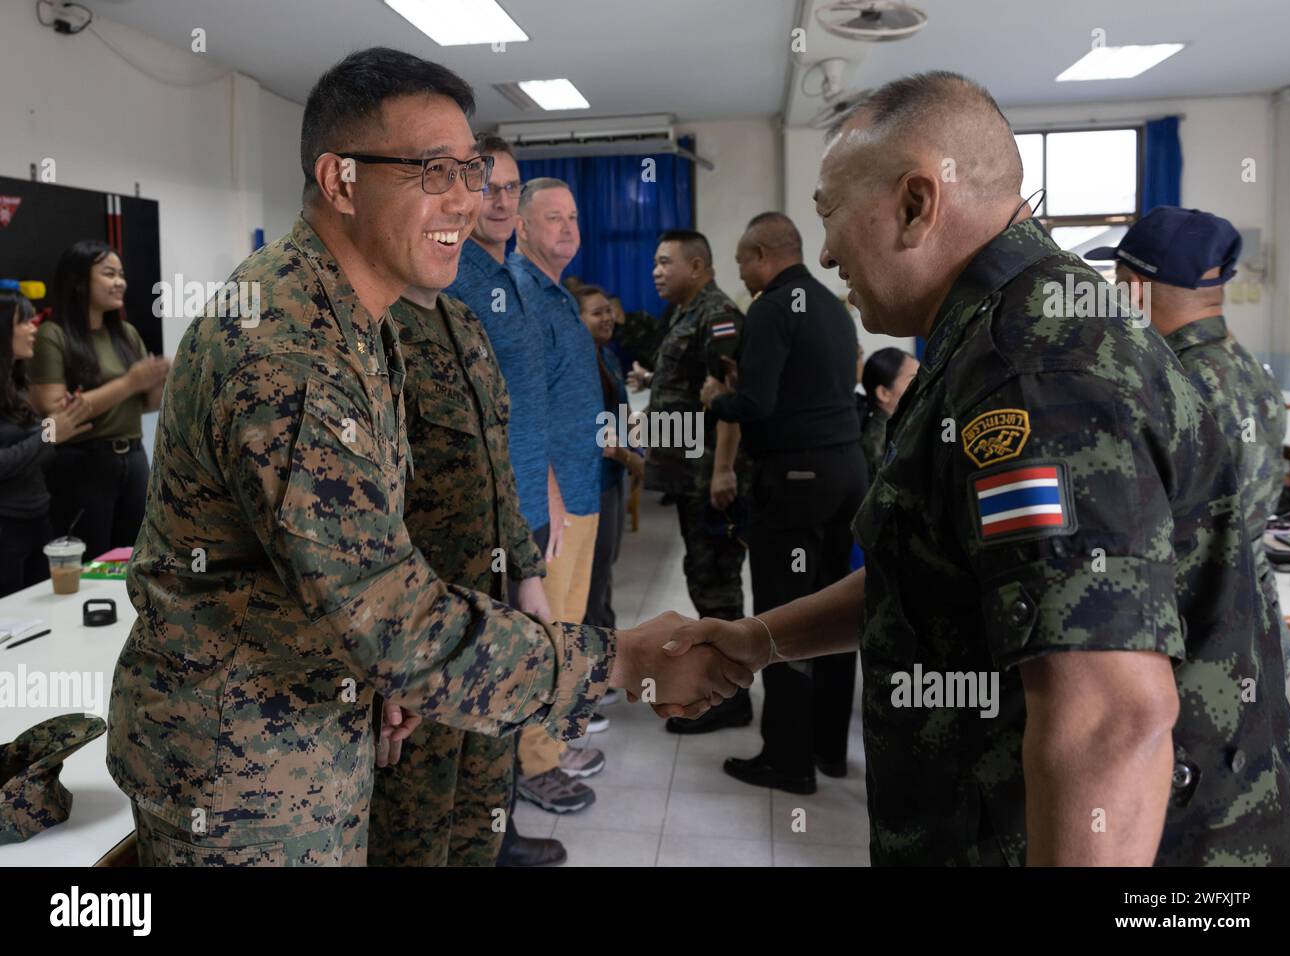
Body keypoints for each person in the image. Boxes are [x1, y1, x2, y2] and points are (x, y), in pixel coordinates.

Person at [105, 47, 751, 867]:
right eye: (432, 171)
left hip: (310, 725)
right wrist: (618, 659)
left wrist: (385, 671)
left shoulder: (361, 326)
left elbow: (378, 553)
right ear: (340, 181)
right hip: (246, 776)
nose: (467, 200)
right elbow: (392, 622)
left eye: (472, 171)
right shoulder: (286, 346)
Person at [665, 70, 1290, 865]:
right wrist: (758, 638)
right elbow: (946, 567)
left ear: (915, 203)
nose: (825, 253)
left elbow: (1109, 721)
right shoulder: (1005, 329)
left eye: (829, 217)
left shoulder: (1033, 373)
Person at [367, 283, 550, 867]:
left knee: (482, 815)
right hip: (417, 640)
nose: (457, 203)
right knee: (413, 832)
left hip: (489, 630)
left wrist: (527, 571)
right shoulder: (368, 324)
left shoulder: (463, 321)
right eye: (435, 183)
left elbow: (498, 466)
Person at [1085, 207, 1290, 671]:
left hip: (1192, 647)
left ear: (1135, 283)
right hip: (1254, 628)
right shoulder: (1251, 371)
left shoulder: (1170, 386)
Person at [701, 212, 866, 791]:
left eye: (744, 261)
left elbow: (757, 405)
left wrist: (717, 399)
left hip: (795, 480)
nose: (741, 273)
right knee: (836, 612)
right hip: (848, 472)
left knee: (784, 618)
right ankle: (826, 748)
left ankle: (787, 759)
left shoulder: (771, 308)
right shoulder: (831, 305)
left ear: (765, 254)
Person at [442, 134, 571, 861]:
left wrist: (547, 483)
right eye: (485, 184)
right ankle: (492, 833)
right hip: (468, 511)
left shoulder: (513, 278)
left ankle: (500, 822)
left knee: (509, 664)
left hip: (518, 503)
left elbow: (527, 399)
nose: (499, 199)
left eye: (510, 188)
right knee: (480, 671)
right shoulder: (451, 274)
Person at [508, 178, 609, 813]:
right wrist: (543, 488)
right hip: (554, 500)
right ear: (521, 226)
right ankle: (532, 764)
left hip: (581, 488)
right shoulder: (519, 292)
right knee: (545, 634)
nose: (568, 229)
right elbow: (521, 405)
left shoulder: (560, 295)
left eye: (573, 217)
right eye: (553, 218)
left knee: (567, 628)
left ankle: (549, 739)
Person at [629, 229, 749, 735]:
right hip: (687, 470)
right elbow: (688, 383)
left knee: (715, 579)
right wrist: (652, 383)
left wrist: (723, 469)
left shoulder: (717, 315)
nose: (656, 271)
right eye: (654, 262)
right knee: (702, 572)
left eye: (665, 262)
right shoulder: (684, 311)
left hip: (707, 475)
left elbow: (731, 398)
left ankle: (732, 698)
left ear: (697, 266)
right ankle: (720, 687)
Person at [27, 241, 169, 559]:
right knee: (89, 560)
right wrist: (130, 382)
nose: (120, 282)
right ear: (78, 280)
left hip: (132, 458)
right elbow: (54, 413)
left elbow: (144, 404)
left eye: (121, 274)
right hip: (82, 463)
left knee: (135, 556)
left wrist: (157, 381)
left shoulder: (127, 333)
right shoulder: (54, 334)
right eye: (108, 274)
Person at [0, 292, 92, 597]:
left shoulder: (17, 385)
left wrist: (54, 423)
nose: (33, 328)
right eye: (23, 321)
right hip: (7, 530)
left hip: (38, 520)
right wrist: (49, 433)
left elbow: (31, 449)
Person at [575, 284, 644, 629]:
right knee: (593, 569)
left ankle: (606, 639)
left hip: (615, 474)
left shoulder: (608, 355)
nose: (607, 318)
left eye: (608, 311)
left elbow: (624, 412)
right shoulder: (575, 361)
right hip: (591, 482)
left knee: (607, 563)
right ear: (577, 318)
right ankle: (595, 655)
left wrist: (636, 452)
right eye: (597, 312)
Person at [858, 346, 919, 485]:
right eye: (913, 380)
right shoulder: (879, 442)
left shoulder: (899, 427)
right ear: (884, 393)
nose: (921, 386)